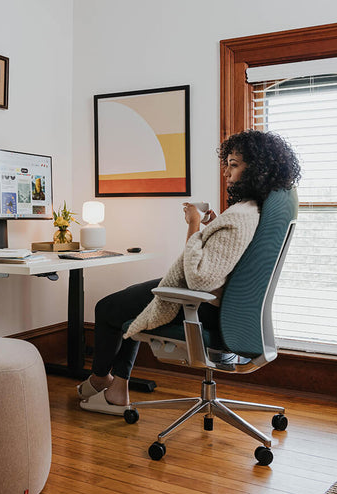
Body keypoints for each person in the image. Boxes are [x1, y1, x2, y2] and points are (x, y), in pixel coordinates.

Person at [77, 129, 301, 415]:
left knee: (108, 308)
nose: (227, 173)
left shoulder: (240, 216)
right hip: (225, 306)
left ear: (256, 169)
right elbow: (229, 255)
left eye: (234, 165)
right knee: (129, 305)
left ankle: (100, 378)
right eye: (227, 164)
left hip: (201, 304)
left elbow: (198, 279)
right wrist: (214, 225)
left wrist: (193, 224)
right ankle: (117, 388)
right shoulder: (253, 211)